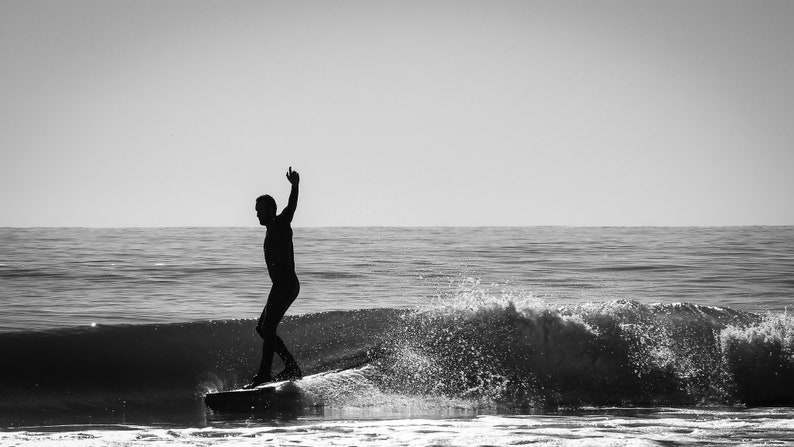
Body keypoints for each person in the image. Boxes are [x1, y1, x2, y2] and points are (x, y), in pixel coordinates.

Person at [245, 166, 303, 388]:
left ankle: (264, 375)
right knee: (262, 328)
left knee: (268, 328)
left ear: (272, 209)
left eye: (260, 210)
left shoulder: (281, 223)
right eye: (256, 211)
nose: (257, 214)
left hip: (286, 285)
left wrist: (295, 186)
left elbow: (291, 207)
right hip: (280, 286)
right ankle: (291, 367)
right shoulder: (271, 229)